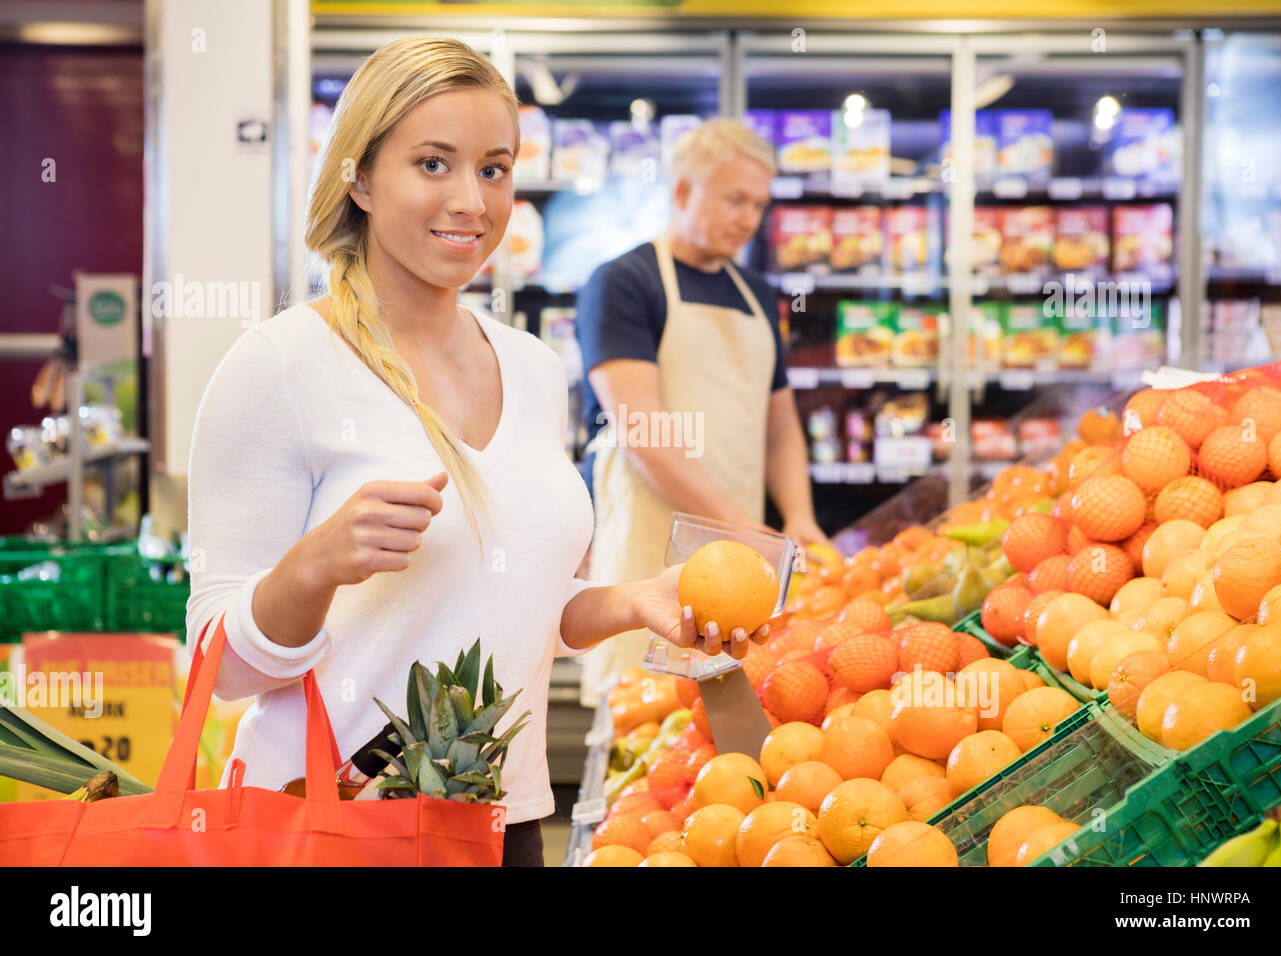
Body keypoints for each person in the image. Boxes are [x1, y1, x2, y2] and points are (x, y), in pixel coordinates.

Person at [185, 36, 766, 868]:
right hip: (333, 825)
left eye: (494, 169)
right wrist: (313, 566)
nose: (471, 200)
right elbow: (220, 670)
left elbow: (525, 608)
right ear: (358, 177)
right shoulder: (278, 366)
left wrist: (635, 601)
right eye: (432, 164)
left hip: (507, 821)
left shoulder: (531, 365)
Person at [575, 118, 828, 708]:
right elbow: (640, 426)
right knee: (640, 709)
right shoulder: (623, 282)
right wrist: (738, 526)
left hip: (738, 548)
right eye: (735, 199)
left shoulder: (758, 293)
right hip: (649, 537)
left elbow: (780, 423)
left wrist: (798, 515)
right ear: (684, 191)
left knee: (715, 703)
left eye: (759, 204)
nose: (749, 219)